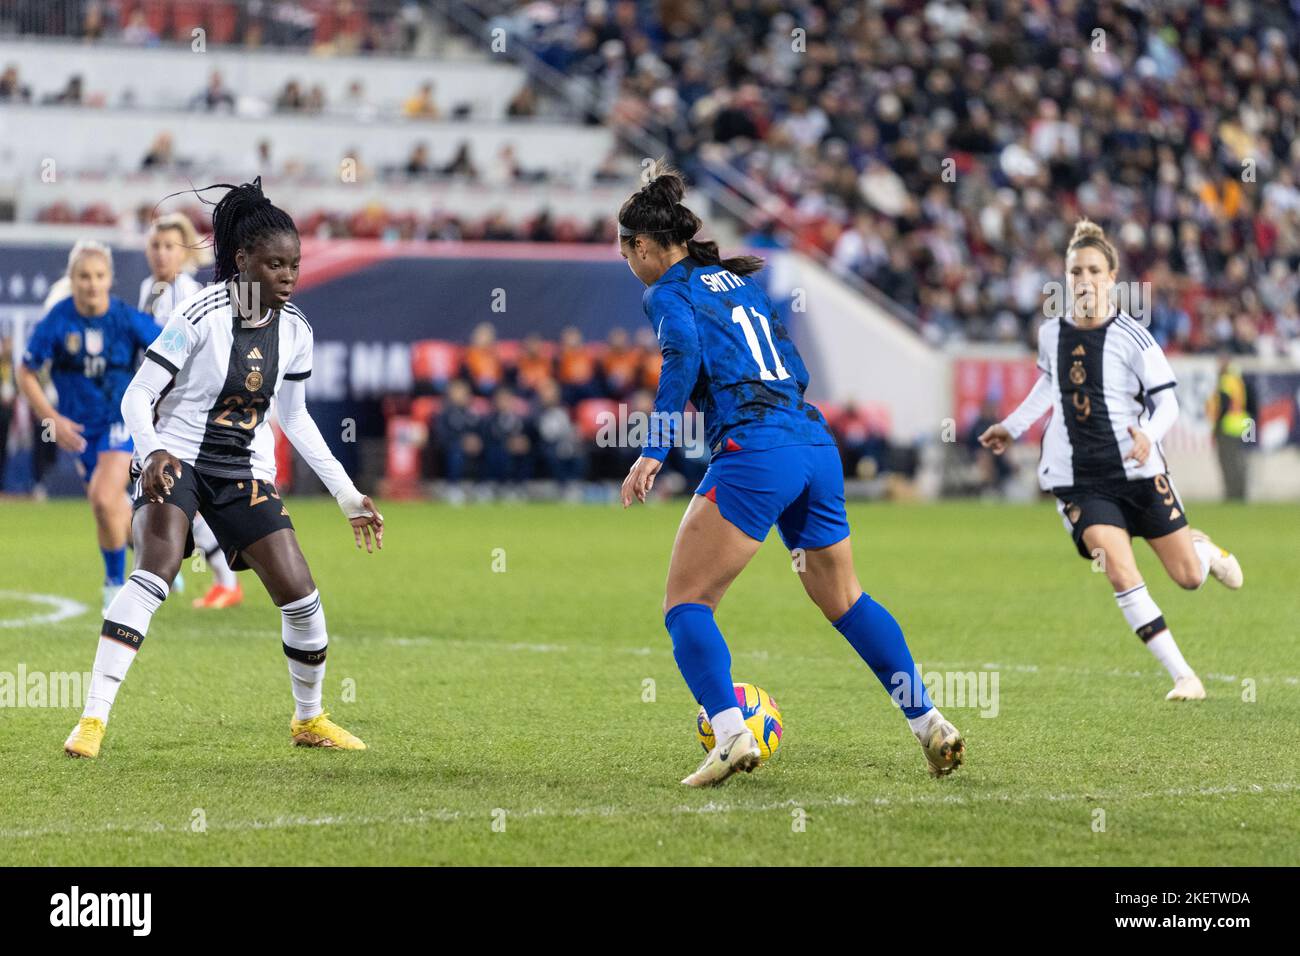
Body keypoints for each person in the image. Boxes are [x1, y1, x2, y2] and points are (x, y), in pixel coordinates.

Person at [618, 162, 964, 787]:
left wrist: (654, 447)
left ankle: (729, 734)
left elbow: (682, 356)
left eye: (627, 254)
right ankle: (929, 721)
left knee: (686, 604)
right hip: (813, 443)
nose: (629, 265)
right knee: (847, 600)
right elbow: (793, 361)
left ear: (642, 246)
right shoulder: (734, 280)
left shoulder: (665, 291)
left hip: (756, 450)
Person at [62, 178, 384, 759]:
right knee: (155, 570)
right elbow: (137, 396)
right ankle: (92, 720)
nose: (288, 276)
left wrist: (348, 496)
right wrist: (151, 450)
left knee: (302, 598)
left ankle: (309, 720)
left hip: (244, 470)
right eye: (275, 264)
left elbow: (297, 418)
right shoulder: (200, 314)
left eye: (295, 265)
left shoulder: (297, 331)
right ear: (242, 261)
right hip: (176, 459)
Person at [980, 220, 1243, 701]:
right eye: (1075, 271)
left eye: (1094, 271)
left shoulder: (1134, 337)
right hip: (1080, 481)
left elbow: (1169, 405)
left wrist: (1148, 434)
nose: (1084, 280)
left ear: (1112, 276)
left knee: (1187, 578)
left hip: (1139, 472)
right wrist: (1011, 426)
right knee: (1119, 568)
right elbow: (1048, 385)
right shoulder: (1050, 334)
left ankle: (1204, 551)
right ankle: (1185, 676)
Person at [17, 242, 161, 614]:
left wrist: (157, 401)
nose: (92, 284)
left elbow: (170, 348)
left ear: (110, 279)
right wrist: (51, 416)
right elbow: (26, 371)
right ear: (72, 279)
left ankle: (116, 586)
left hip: (119, 422)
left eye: (99, 276)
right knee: (109, 507)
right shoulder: (58, 320)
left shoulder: (125, 318)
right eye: (84, 276)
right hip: (78, 431)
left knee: (101, 497)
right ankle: (159, 557)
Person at [140, 214, 241, 609]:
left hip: (183, 410)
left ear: (184, 252)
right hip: (161, 406)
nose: (161, 253)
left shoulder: (187, 293)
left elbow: (189, 358)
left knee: (182, 496)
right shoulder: (150, 288)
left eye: (170, 246)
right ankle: (188, 574)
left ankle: (223, 580)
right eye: (156, 246)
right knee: (170, 495)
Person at [1207, 357, 1250, 500]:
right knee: (1239, 460)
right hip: (1242, 425)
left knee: (1228, 461)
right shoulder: (1238, 380)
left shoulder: (1225, 381)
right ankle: (1241, 492)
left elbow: (1224, 405)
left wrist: (1216, 427)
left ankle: (1232, 494)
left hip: (1228, 426)